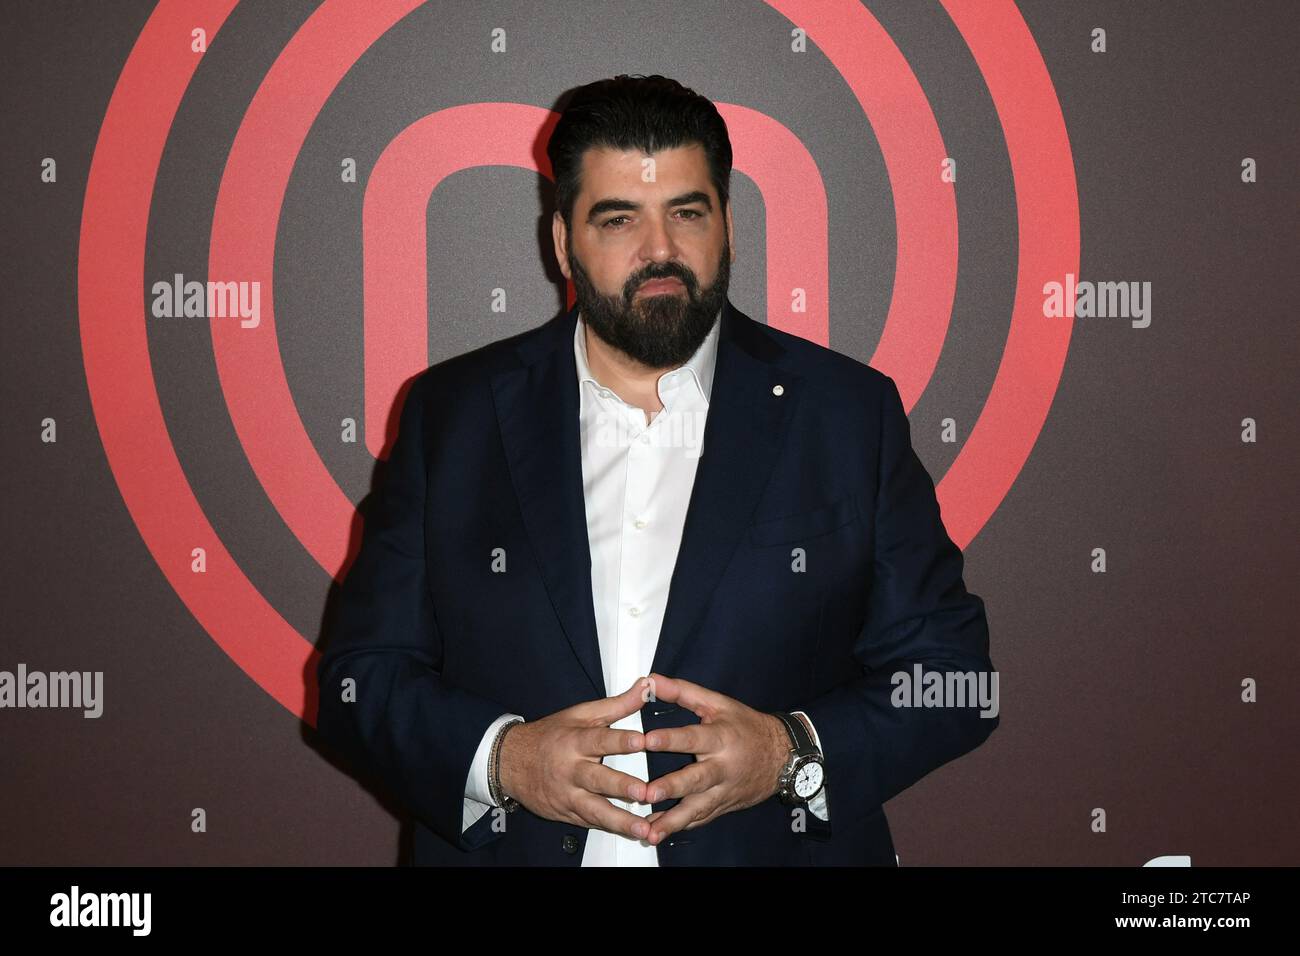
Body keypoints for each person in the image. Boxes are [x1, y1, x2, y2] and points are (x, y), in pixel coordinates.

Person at [316, 74, 998, 866]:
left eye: (687, 212)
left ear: (728, 226)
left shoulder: (847, 415)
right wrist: (504, 763)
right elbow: (359, 680)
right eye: (618, 219)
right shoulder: (452, 417)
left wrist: (792, 754)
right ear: (563, 241)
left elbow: (954, 680)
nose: (661, 251)